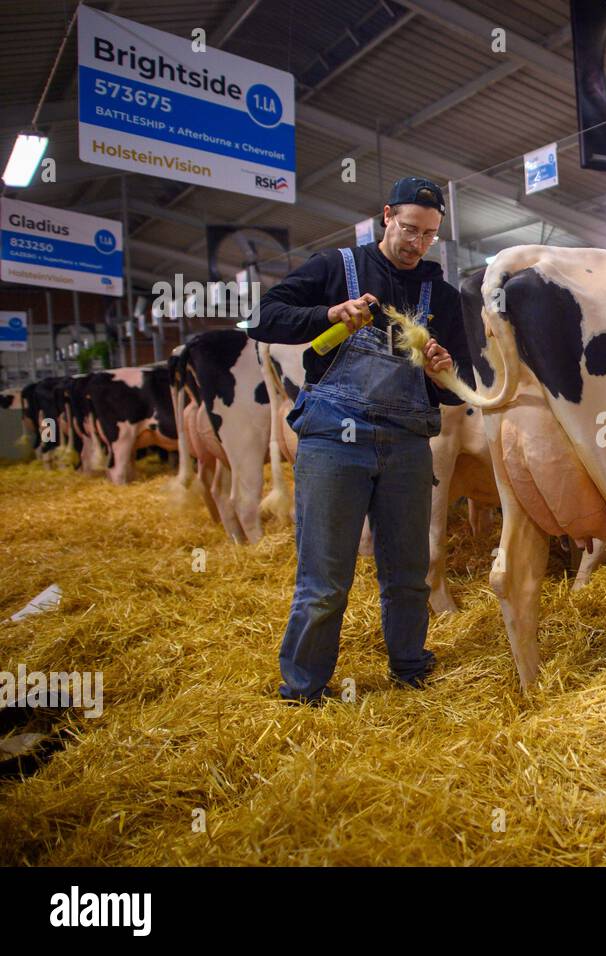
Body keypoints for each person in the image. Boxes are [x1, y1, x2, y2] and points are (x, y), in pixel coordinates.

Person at [247, 176, 473, 704]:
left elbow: (454, 386)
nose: (417, 243)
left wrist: (443, 368)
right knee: (324, 581)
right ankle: (303, 689)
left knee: (409, 574)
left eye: (430, 235)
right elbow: (260, 318)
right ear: (387, 215)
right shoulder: (336, 269)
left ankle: (410, 668)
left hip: (405, 446)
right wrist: (328, 314)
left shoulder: (438, 295)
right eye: (410, 229)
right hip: (332, 441)